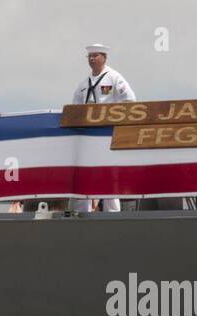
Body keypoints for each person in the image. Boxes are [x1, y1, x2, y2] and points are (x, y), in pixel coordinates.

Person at [72, 44, 135, 213]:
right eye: (89, 56)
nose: (92, 59)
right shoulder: (83, 83)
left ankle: (112, 212)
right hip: (87, 134)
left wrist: (112, 116)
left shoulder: (114, 78)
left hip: (107, 133)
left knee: (109, 171)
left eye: (95, 55)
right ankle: (81, 210)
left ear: (104, 58)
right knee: (84, 171)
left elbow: (129, 100)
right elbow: (74, 108)